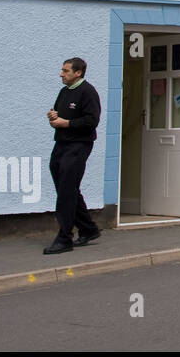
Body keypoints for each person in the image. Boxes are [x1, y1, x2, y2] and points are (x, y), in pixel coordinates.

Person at [44, 57, 102, 255]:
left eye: (65, 71)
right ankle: (88, 229)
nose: (61, 74)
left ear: (78, 73)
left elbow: (92, 120)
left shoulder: (88, 92)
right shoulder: (64, 91)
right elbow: (60, 114)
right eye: (62, 70)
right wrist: (53, 116)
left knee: (67, 190)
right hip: (61, 143)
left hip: (78, 145)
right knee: (66, 187)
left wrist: (66, 124)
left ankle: (64, 238)